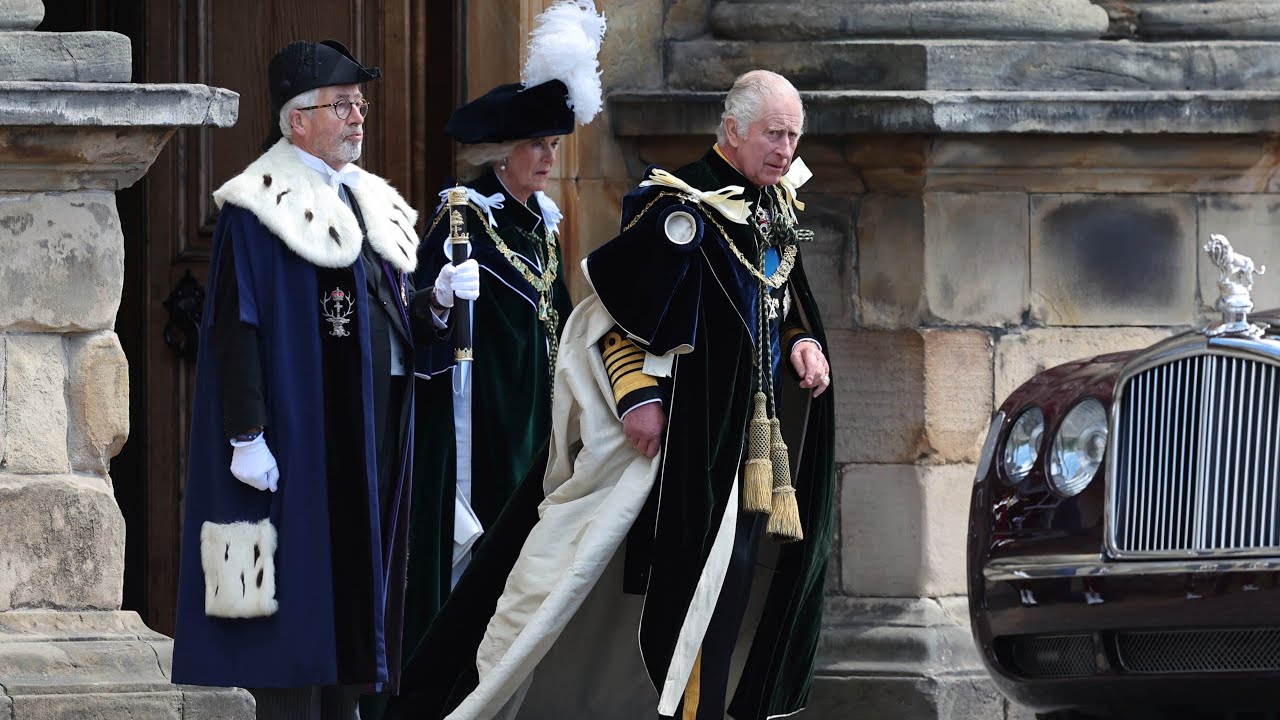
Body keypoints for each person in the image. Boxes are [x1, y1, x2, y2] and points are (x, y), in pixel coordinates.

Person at [392, 69, 835, 720]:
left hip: (752, 444)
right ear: (734, 131)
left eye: (794, 136)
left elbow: (778, 301)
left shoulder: (771, 208)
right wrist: (638, 399)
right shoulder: (681, 204)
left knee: (738, 589)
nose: (785, 150)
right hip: (685, 445)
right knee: (690, 599)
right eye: (774, 134)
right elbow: (615, 319)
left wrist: (803, 342)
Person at [170, 39, 480, 719]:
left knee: (350, 613)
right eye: (342, 106)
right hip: (302, 439)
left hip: (366, 438)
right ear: (296, 121)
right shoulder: (258, 206)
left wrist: (436, 304)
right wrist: (247, 434)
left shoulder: (362, 199)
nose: (358, 117)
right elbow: (237, 324)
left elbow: (385, 315)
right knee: (296, 617)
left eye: (360, 105)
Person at [364, 5, 606, 720]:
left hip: (533, 419)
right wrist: (437, 300)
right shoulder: (463, 218)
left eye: (554, 145)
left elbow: (558, 321)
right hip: (476, 424)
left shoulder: (542, 229)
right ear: (500, 150)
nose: (548, 158)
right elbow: (415, 324)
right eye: (536, 144)